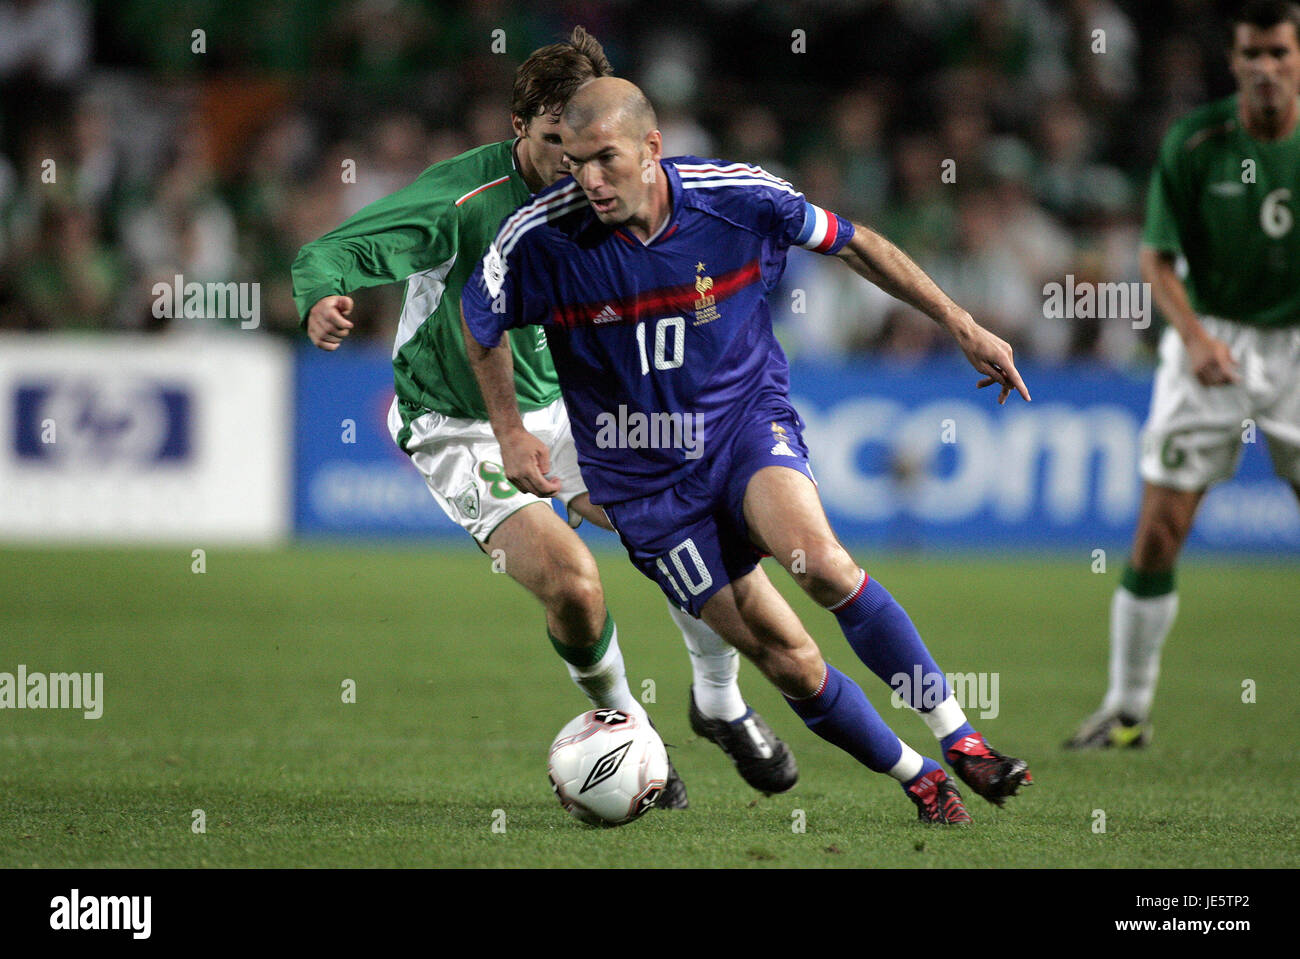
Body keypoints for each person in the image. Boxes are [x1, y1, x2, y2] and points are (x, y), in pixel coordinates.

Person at [462, 76, 1033, 823]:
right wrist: (510, 431)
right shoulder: (542, 239)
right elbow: (482, 322)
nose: (589, 180)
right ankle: (918, 774)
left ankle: (962, 736)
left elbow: (855, 243)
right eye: (573, 161)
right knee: (788, 656)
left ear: (651, 148)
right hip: (645, 486)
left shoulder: (736, 197)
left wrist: (961, 324)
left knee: (823, 563)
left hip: (739, 426)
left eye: (605, 159)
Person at [291, 29, 798, 806]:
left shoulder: (610, 191)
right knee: (574, 583)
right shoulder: (463, 198)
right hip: (458, 423)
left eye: (593, 146)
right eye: (560, 142)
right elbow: (338, 248)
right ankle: (631, 730)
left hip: (574, 407)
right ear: (519, 126)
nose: (579, 164)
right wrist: (322, 296)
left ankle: (718, 702)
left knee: (692, 530)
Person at [1067, 0, 1300, 750]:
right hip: (1213, 340)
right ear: (1233, 63)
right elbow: (1155, 260)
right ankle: (1126, 710)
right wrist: (1194, 337)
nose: (1265, 68)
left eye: (1279, 53)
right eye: (1252, 55)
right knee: (1161, 531)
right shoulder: (1195, 142)